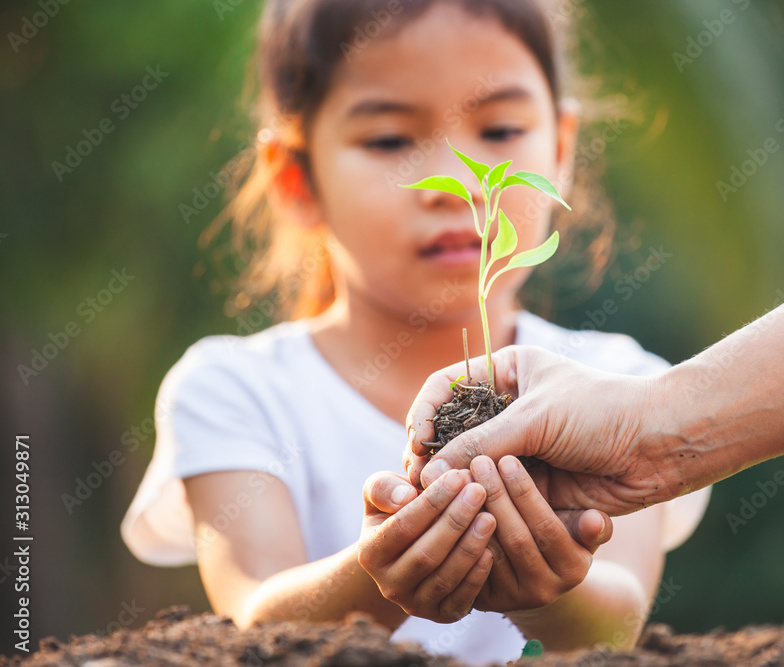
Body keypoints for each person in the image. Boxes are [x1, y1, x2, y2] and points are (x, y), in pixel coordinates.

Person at [120, 0, 711, 663]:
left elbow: (617, 617)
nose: (458, 185)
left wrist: (552, 587)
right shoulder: (236, 390)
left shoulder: (618, 385)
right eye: (390, 140)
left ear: (562, 148)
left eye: (502, 129)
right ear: (296, 176)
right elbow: (257, 618)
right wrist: (378, 573)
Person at [403, 147, 784, 517]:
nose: (470, 187)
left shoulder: (614, 365)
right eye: (391, 141)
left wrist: (651, 429)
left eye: (503, 130)